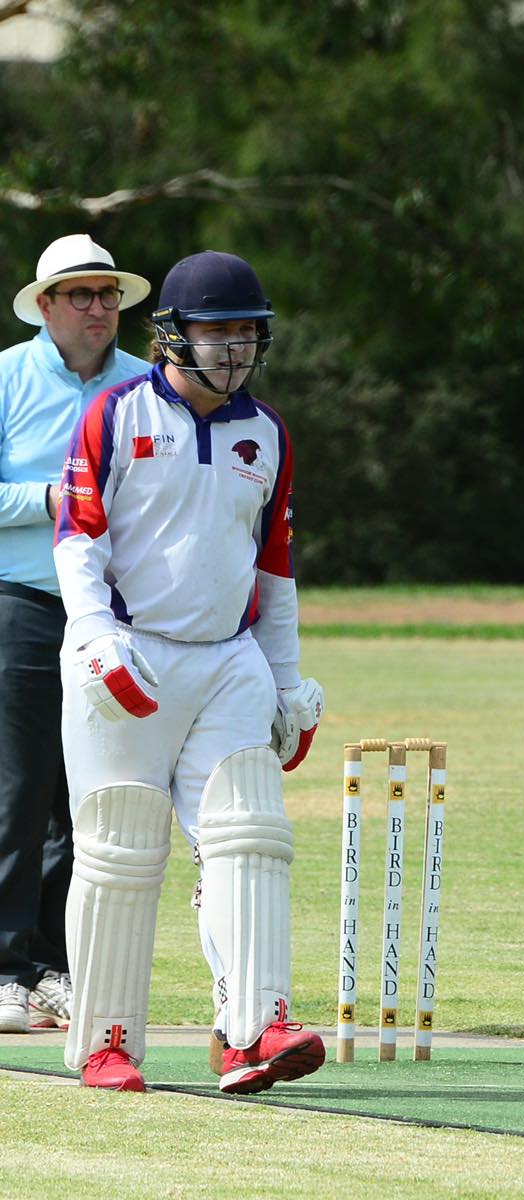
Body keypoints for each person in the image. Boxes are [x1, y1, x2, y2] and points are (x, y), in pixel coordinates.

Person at [52, 250, 325, 1093]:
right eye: (218, 331)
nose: (235, 347)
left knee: (250, 839)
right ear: (173, 334)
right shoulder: (114, 414)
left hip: (228, 661)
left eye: (247, 332)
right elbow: (78, 538)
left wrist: (286, 679)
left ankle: (253, 1027)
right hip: (129, 657)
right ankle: (106, 1041)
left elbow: (273, 568)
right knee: (121, 850)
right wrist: (96, 635)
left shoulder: (266, 432)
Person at [0, 235, 152, 1037]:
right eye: (81, 295)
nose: (99, 309)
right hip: (22, 598)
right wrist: (57, 496)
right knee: (20, 788)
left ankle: (58, 967)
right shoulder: (6, 377)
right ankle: (4, 968)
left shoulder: (145, 384)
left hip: (115, 610)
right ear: (47, 306)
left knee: (84, 792)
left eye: (108, 295)